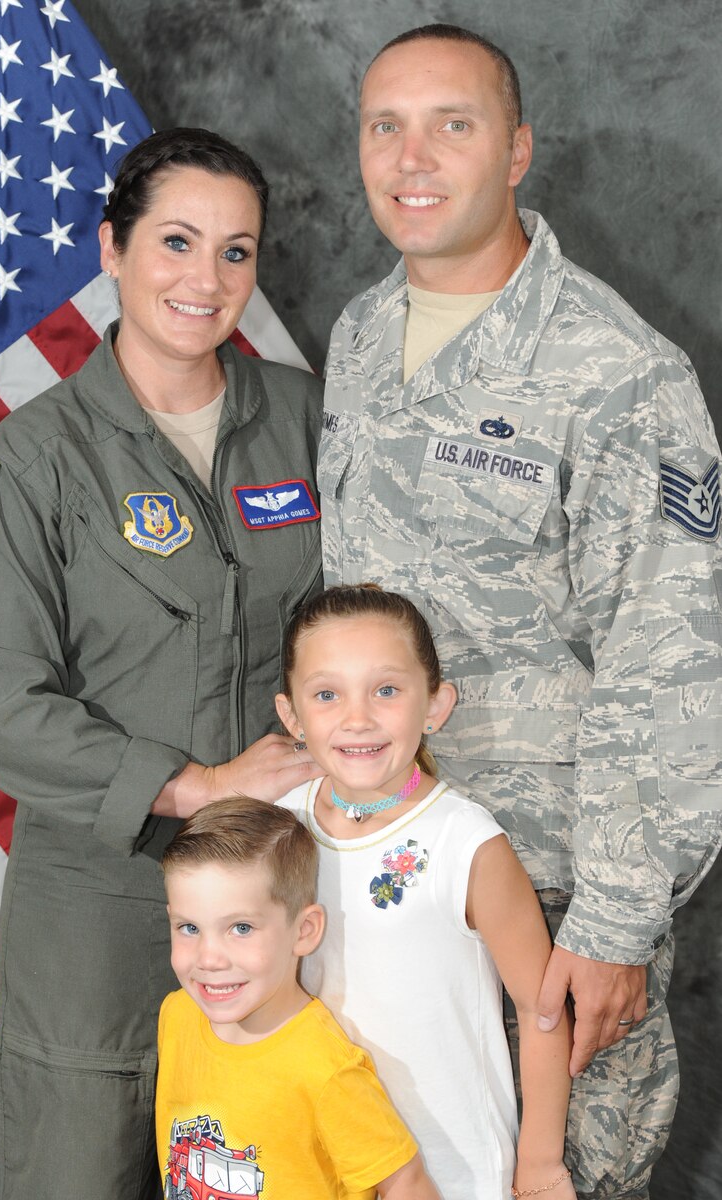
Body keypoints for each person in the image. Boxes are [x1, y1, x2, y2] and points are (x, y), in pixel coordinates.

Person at [319, 23, 722, 1199]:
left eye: (454, 124)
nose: (413, 157)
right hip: (384, 872)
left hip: (552, 902)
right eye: (385, 125)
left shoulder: (618, 371)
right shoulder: (356, 336)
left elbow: (676, 661)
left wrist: (617, 922)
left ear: (518, 152)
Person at [0, 127, 323, 1200]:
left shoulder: (307, 423)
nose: (206, 281)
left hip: (277, 918)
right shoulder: (31, 462)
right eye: (176, 241)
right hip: (102, 930)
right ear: (111, 249)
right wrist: (197, 786)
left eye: (237, 252)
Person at [277, 583, 577, 1200]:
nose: (357, 717)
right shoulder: (279, 829)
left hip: (451, 1165)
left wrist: (542, 1168)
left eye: (386, 690)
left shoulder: (465, 842)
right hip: (324, 1161)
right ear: (292, 717)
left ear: (435, 705)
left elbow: (542, 1009)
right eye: (327, 694)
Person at [157, 797, 438, 1199]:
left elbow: (406, 1184)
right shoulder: (177, 1016)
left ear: (304, 930)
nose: (208, 958)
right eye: (188, 927)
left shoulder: (326, 1071)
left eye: (240, 928)